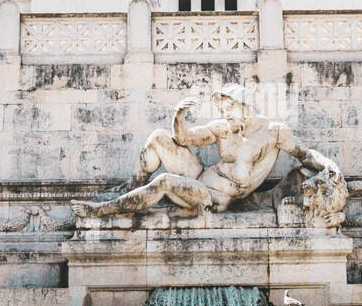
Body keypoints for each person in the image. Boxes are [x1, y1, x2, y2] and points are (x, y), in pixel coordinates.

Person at [72, 84, 342, 221]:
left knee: (165, 181)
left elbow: (305, 155)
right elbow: (185, 138)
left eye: (228, 109)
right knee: (158, 138)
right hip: (200, 176)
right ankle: (130, 191)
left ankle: (102, 210)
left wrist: (331, 167)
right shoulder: (223, 128)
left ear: (244, 106)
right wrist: (178, 115)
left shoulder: (273, 133)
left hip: (214, 195)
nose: (224, 115)